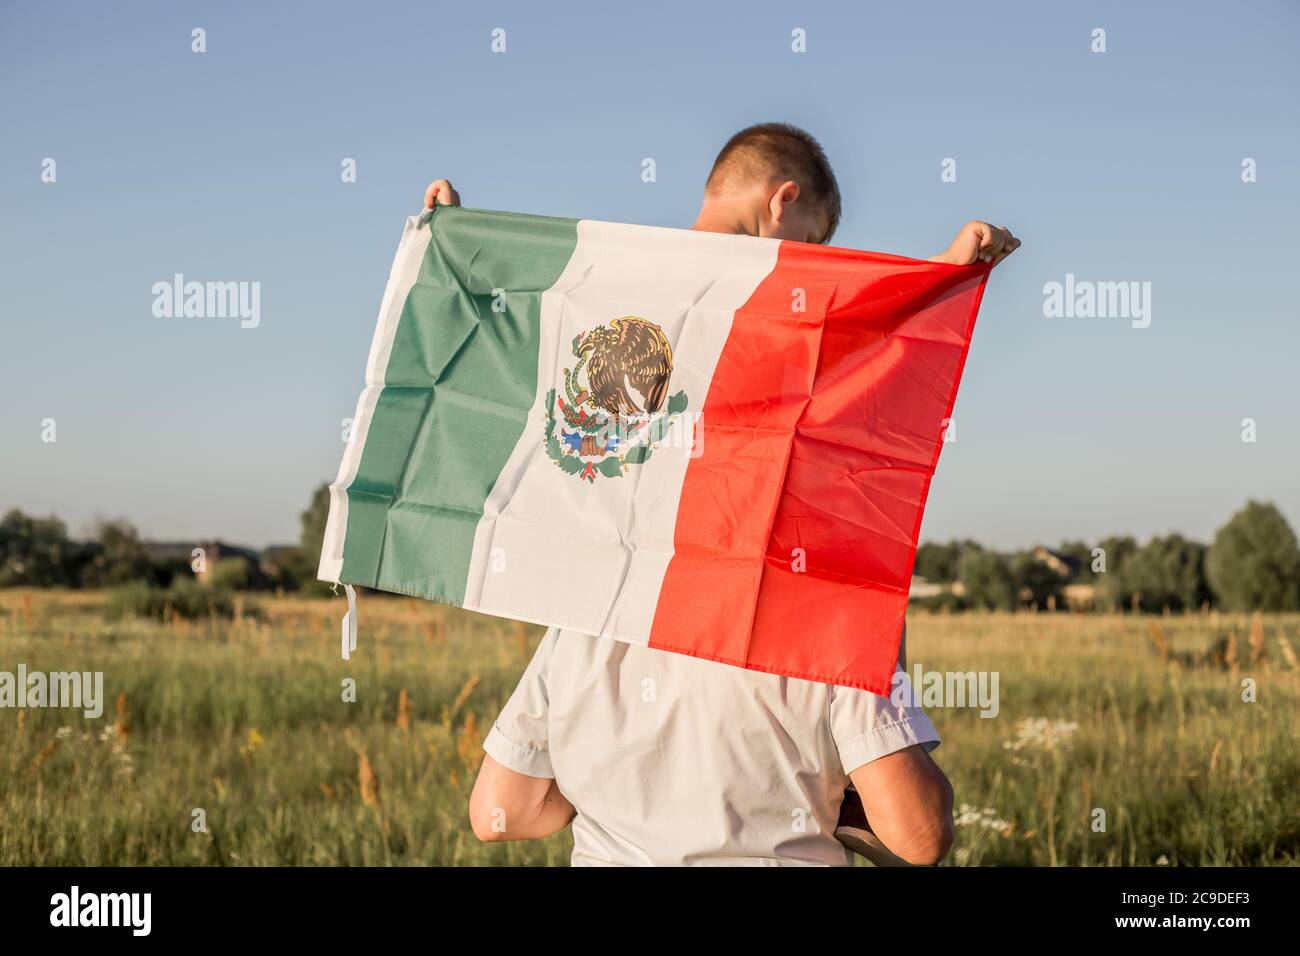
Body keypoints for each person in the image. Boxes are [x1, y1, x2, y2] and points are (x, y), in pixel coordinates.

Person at [425, 123, 1019, 866]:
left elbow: (501, 812)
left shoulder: (584, 618)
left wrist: (456, 251)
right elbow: (920, 841)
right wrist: (937, 278)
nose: (815, 263)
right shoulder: (822, 628)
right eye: (815, 240)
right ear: (783, 200)